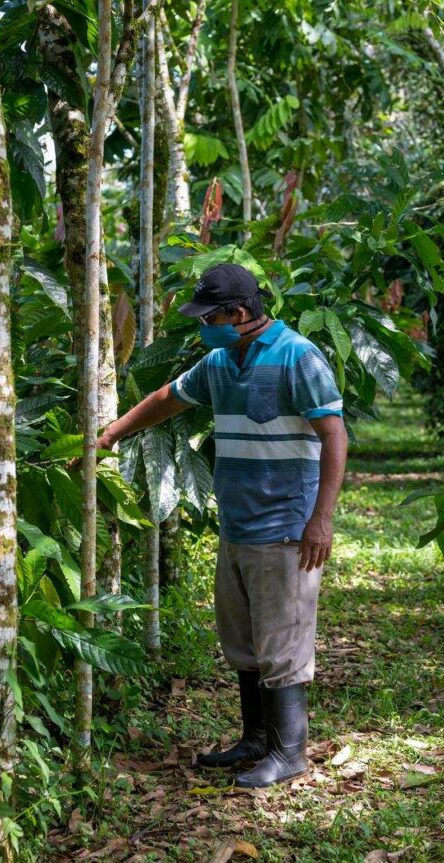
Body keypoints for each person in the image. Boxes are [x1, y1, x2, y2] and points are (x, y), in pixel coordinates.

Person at [88, 262, 348, 788]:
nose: (204, 326)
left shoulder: (298, 355)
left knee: (282, 642)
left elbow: (334, 435)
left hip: (285, 525)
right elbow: (169, 398)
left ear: (240, 312)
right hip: (237, 523)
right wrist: (111, 433)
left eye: (211, 317)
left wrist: (321, 519)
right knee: (244, 641)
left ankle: (289, 752)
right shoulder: (220, 361)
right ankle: (256, 739)